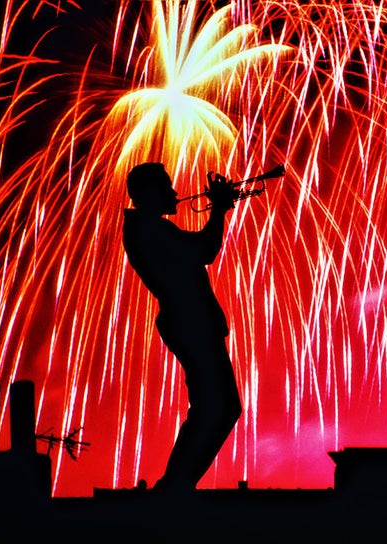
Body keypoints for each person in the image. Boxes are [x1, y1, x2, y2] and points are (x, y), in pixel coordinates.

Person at [122, 162, 242, 496]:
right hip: (190, 321)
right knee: (218, 406)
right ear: (148, 194)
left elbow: (202, 250)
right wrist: (218, 210)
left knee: (215, 407)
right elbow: (206, 250)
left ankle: (176, 486)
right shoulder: (148, 229)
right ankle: (175, 488)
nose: (175, 193)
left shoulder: (148, 228)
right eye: (166, 188)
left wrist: (218, 209)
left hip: (188, 321)